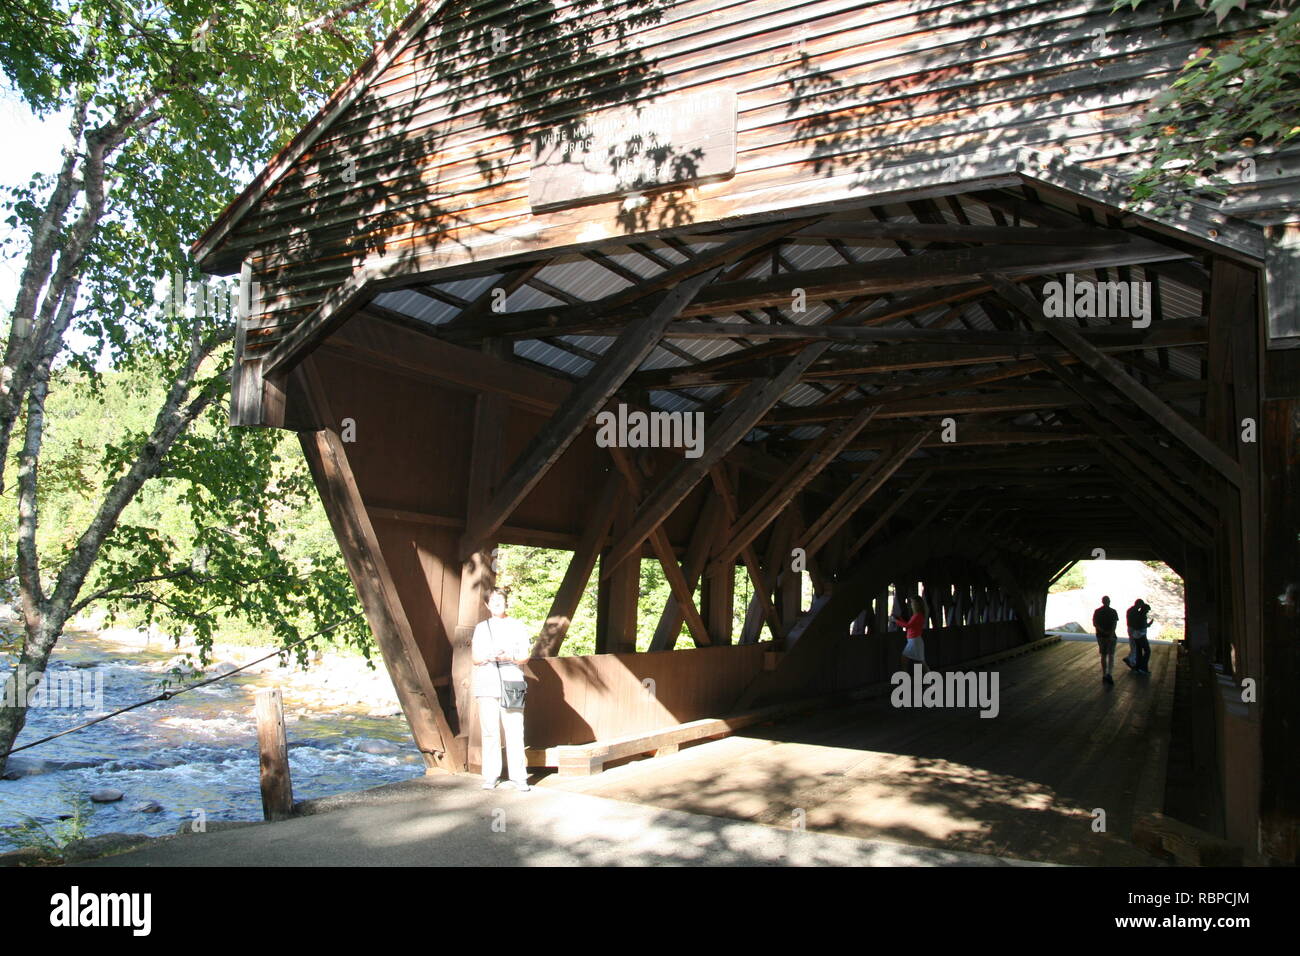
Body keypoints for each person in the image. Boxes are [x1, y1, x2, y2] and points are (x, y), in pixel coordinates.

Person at [472, 588, 532, 791]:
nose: (497, 603)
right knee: (490, 731)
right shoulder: (481, 628)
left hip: (512, 681)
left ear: (506, 603)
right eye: (493, 601)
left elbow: (525, 656)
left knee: (515, 730)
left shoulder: (517, 626)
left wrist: (510, 657)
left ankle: (519, 776)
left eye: (500, 600)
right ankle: (490, 775)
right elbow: (475, 658)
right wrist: (489, 656)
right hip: (487, 683)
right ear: (487, 605)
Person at [893, 595, 929, 673]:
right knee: (920, 662)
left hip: (914, 641)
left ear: (917, 604)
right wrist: (900, 619)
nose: (911, 604)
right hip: (914, 641)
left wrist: (895, 621)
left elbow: (907, 625)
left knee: (906, 659)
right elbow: (909, 625)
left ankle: (905, 679)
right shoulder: (917, 615)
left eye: (912, 602)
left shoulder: (917, 616)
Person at [1092, 595, 1119, 685]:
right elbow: (1114, 624)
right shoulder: (1113, 611)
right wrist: (1110, 634)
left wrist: (1102, 631)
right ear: (1109, 601)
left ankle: (1104, 674)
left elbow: (1095, 623)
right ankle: (1109, 674)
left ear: (1102, 601)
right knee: (1111, 655)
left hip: (1101, 636)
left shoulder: (1097, 611)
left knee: (1103, 655)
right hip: (1111, 636)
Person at [1123, 598, 1153, 675]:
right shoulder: (1140, 614)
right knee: (1147, 651)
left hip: (1135, 633)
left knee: (1138, 650)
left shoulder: (1134, 612)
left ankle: (1137, 666)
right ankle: (1141, 666)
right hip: (1139, 634)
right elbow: (1142, 625)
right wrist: (1148, 624)